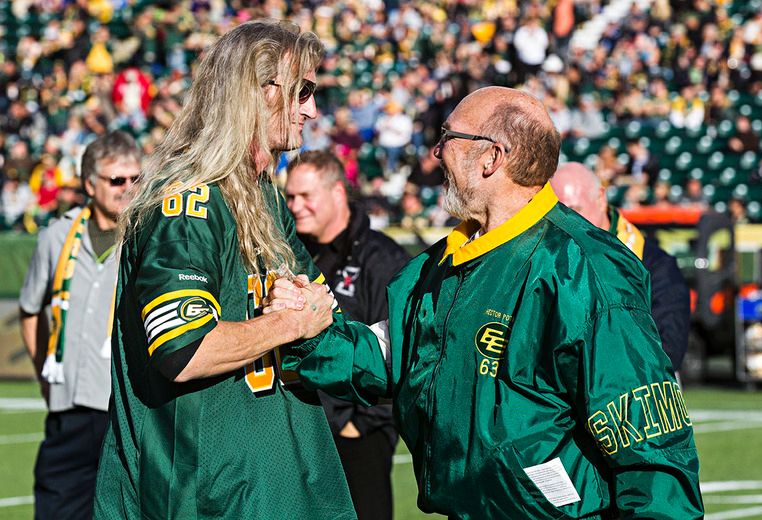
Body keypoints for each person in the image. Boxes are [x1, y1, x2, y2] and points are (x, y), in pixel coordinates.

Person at [272, 86, 704, 518]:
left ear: (491, 157)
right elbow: (390, 357)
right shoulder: (437, 266)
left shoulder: (585, 267)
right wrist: (310, 330)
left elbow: (652, 450)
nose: (437, 152)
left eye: (448, 137)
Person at [93, 20, 357, 519]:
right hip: (198, 494)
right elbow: (185, 349)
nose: (312, 110)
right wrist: (287, 323)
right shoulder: (188, 204)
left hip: (274, 479)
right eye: (303, 90)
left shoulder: (265, 198)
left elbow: (324, 311)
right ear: (257, 93)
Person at [19, 130, 141, 519]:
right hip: (68, 411)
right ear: (90, 183)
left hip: (123, 411)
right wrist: (46, 376)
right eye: (116, 180)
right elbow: (31, 308)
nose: (128, 188)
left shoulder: (147, 235)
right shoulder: (56, 236)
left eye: (135, 178)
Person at [285, 150, 409, 520]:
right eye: (290, 197)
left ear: (337, 192)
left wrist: (360, 425)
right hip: (302, 431)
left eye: (306, 196)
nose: (295, 206)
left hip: (358, 435)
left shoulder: (382, 258)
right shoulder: (293, 252)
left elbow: (398, 350)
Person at [550, 162, 691, 372]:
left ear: (600, 198)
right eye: (558, 214)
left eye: (574, 210)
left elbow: (667, 353)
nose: (566, 223)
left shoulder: (654, 264)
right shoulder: (548, 260)